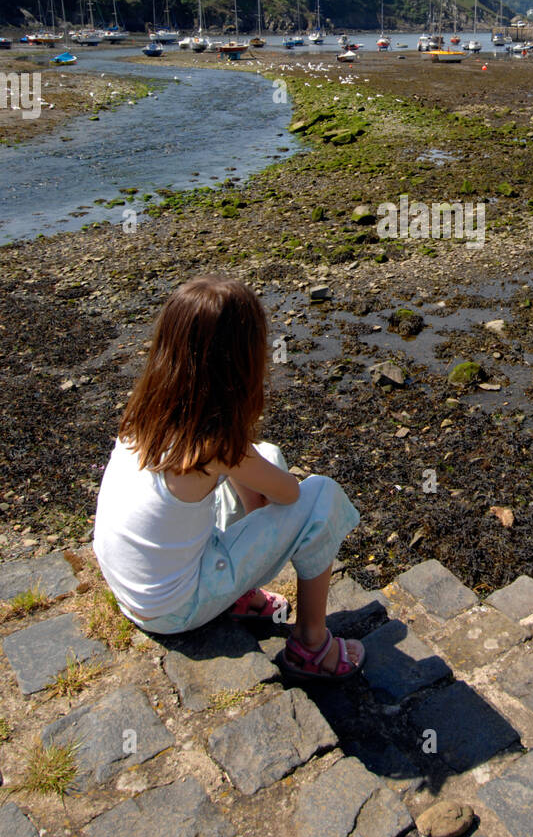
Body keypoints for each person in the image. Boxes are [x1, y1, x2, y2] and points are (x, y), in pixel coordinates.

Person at [93, 275, 364, 679]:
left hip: (134, 590)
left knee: (266, 456)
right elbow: (291, 495)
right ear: (242, 359)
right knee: (321, 495)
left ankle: (236, 592)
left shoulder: (146, 412)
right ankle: (311, 644)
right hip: (173, 609)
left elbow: (247, 467)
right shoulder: (216, 443)